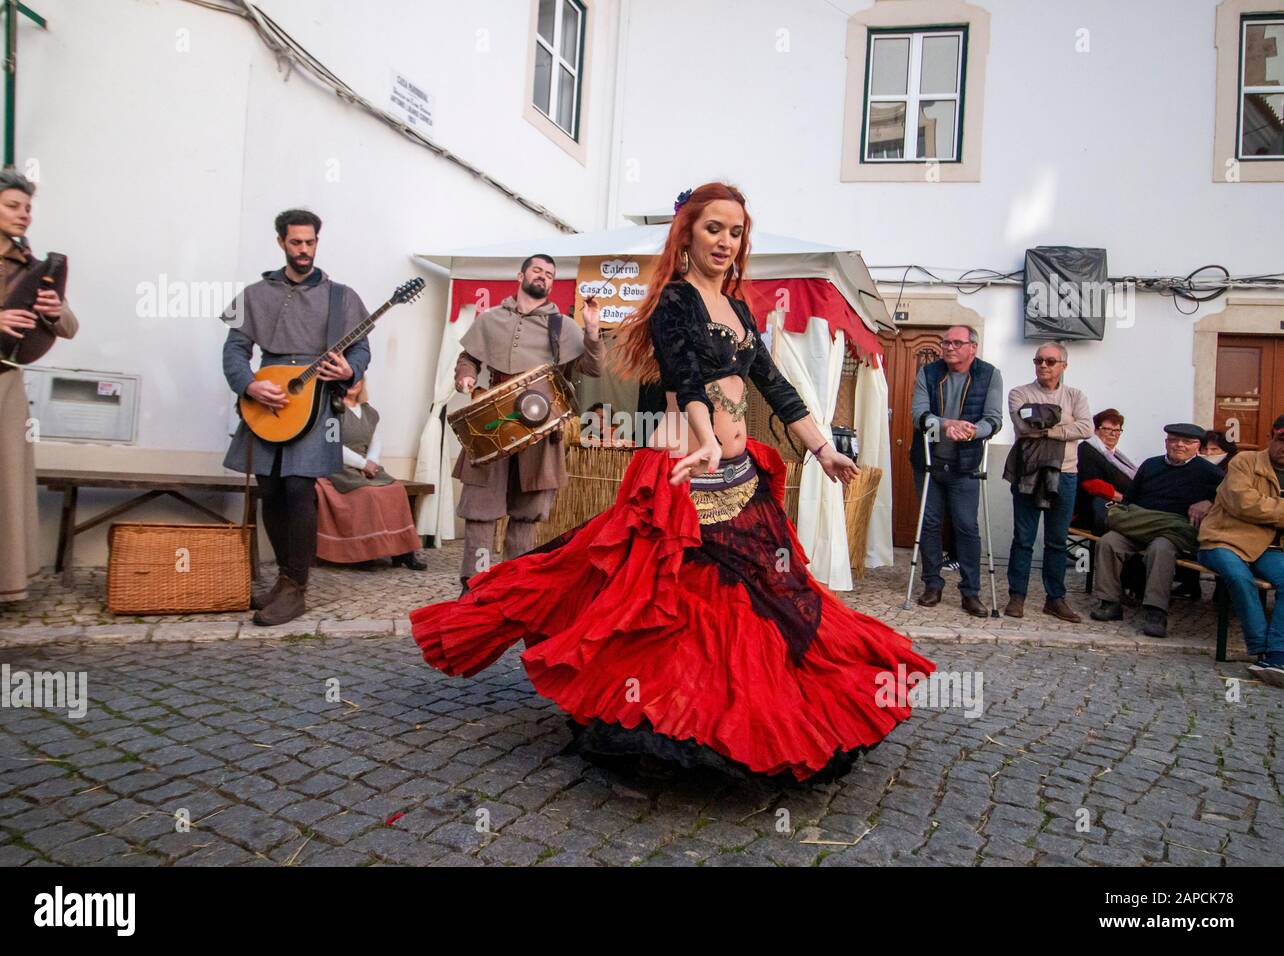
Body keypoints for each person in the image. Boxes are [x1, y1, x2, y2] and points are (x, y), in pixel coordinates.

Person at [411, 183, 934, 782]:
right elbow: (685, 378)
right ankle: (664, 714)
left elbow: (773, 384)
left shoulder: (738, 310)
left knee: (753, 600)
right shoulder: (673, 302)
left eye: (736, 232)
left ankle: (742, 707)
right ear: (687, 233)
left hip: (735, 471)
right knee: (673, 601)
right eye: (714, 228)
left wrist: (820, 448)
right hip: (687, 469)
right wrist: (706, 436)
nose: (726, 242)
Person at [222, 209, 370, 626]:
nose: (303, 250)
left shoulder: (341, 296)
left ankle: (296, 588)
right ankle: (285, 580)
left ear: (317, 242)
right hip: (267, 399)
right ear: (280, 242)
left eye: (310, 243)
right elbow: (234, 349)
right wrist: (250, 385)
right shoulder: (254, 294)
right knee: (270, 488)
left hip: (315, 400)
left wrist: (349, 370)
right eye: (295, 243)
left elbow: (360, 351)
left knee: (299, 489)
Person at [451, 254, 605, 593]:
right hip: (492, 424)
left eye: (550, 274)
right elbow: (469, 358)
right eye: (537, 270)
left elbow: (592, 369)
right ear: (521, 274)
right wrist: (466, 378)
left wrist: (592, 331)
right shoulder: (490, 319)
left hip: (540, 427)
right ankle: (473, 584)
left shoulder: (562, 327)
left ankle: (515, 585)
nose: (543, 277)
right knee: (480, 509)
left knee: (527, 513)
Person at [0, 170, 78, 618]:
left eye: (27, 207)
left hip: (3, 383)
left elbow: (70, 328)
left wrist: (56, 310)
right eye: (12, 205)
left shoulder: (34, 265)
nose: (23, 215)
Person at [1089, 423, 1223, 637]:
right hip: (1139, 526)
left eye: (1187, 442)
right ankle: (1110, 602)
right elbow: (1131, 499)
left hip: (1171, 533)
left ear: (1197, 446)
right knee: (1109, 542)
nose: (1179, 445)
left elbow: (1227, 499)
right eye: (1173, 440)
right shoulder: (1150, 465)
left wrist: (1209, 501)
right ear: (1166, 442)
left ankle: (1156, 611)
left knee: (1160, 550)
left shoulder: (1210, 472)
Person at [909, 324, 1003, 617]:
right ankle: (932, 584)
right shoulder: (929, 372)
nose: (949, 347)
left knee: (966, 525)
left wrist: (973, 431)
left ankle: (971, 592)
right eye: (945, 342)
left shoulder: (989, 375)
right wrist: (948, 424)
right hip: (930, 461)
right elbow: (919, 416)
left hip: (966, 464)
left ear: (972, 347)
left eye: (956, 343)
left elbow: (994, 419)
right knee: (930, 523)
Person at [1004, 342, 1093, 622]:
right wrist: (1062, 427)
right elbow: (1023, 426)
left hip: (1065, 473)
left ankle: (1055, 599)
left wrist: (1046, 429)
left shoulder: (1076, 396)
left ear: (1063, 366)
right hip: (1028, 470)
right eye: (1039, 360)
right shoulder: (1019, 393)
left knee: (1056, 540)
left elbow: (1087, 428)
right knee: (1023, 538)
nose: (1043, 365)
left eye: (1050, 361)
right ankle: (1016, 596)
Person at [1198, 414, 1284, 686]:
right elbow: (1243, 502)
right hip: (1224, 539)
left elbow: (1258, 506)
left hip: (1267, 547)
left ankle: (1277, 654)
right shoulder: (1244, 461)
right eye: (1282, 440)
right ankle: (1262, 649)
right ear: (1271, 437)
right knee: (1239, 578)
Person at [314, 377, 426, 570]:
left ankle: (403, 552)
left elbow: (376, 440)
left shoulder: (370, 412)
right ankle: (363, 553)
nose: (353, 383)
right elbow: (332, 446)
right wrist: (362, 464)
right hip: (338, 467)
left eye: (357, 378)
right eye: (348, 380)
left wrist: (372, 462)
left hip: (366, 465)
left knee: (396, 489)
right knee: (368, 493)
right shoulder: (331, 411)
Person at [1074, 408, 1138, 535]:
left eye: (1117, 430)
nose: (1113, 434)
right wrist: (1127, 500)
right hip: (1091, 513)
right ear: (1096, 430)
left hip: (1119, 510)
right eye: (1108, 429)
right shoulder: (1086, 450)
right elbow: (1092, 485)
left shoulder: (1116, 455)